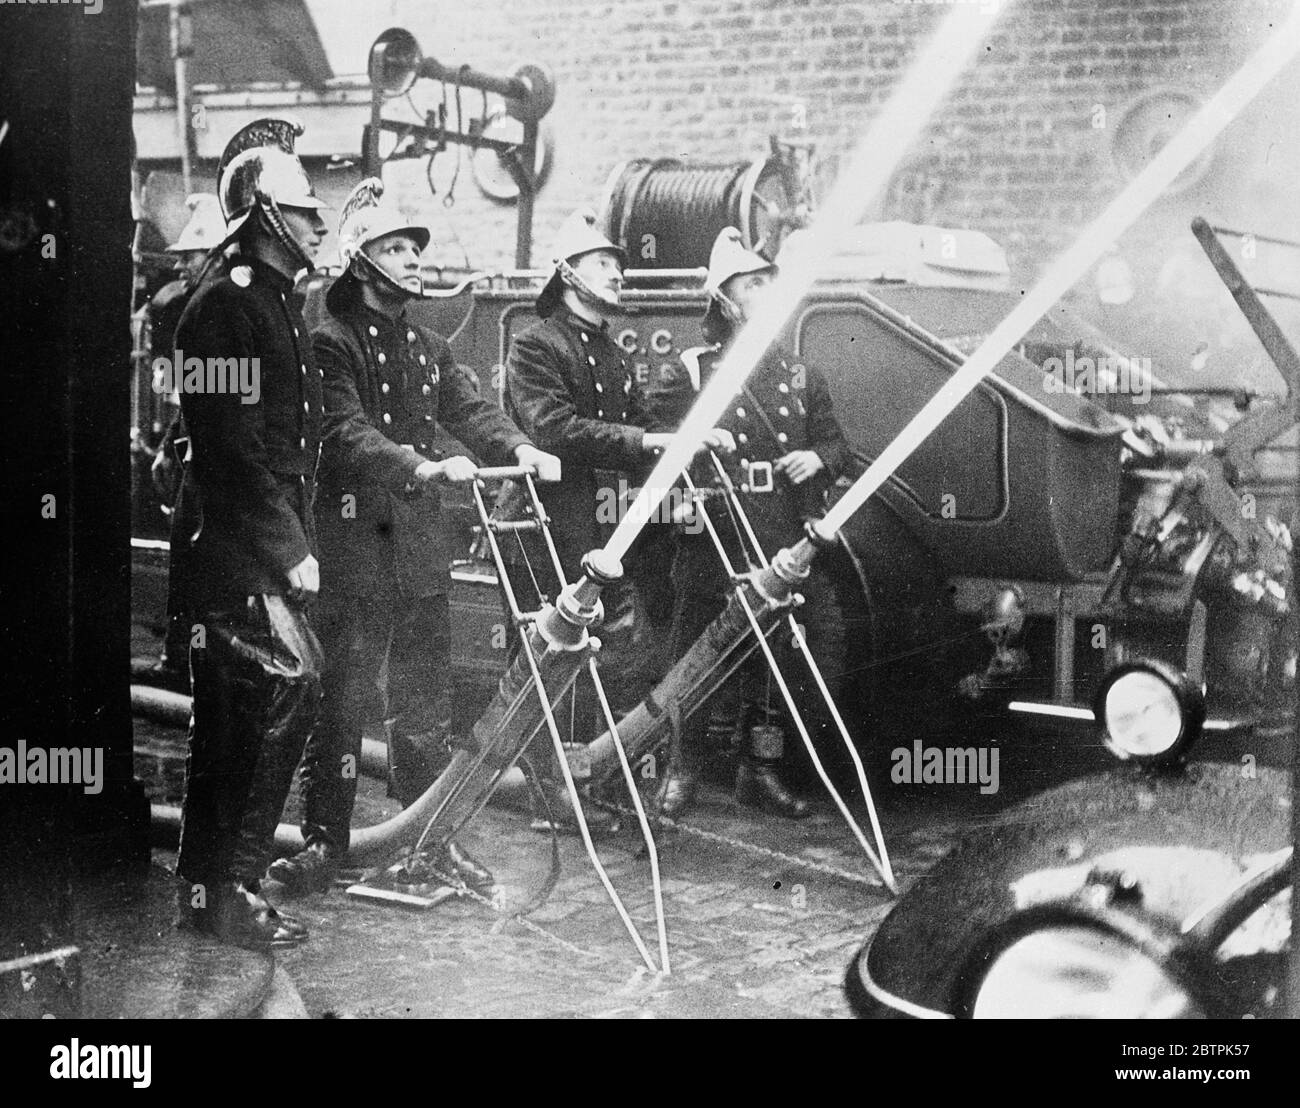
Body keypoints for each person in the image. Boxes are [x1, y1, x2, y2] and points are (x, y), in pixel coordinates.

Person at [267, 179, 561, 895]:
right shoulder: (327, 344)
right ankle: (324, 844)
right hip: (352, 547)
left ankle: (429, 840)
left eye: (413, 247)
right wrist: (422, 465)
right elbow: (341, 431)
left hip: (419, 550)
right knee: (342, 701)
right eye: (395, 248)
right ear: (361, 263)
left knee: (425, 703)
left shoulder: (428, 345)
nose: (412, 260)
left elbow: (468, 406)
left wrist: (518, 448)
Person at [503, 208, 732, 827]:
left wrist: (689, 441)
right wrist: (645, 443)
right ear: (567, 274)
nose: (617, 275)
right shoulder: (534, 343)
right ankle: (548, 793)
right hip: (546, 521)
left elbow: (638, 423)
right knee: (551, 652)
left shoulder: (608, 350)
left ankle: (581, 777)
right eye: (603, 264)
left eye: (619, 266)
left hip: (604, 525)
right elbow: (552, 428)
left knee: (598, 652)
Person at [171, 117, 329, 949]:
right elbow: (231, 453)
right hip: (232, 551)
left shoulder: (271, 305)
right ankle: (221, 890)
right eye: (305, 210)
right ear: (265, 213)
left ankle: (219, 887)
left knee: (253, 709)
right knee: (262, 702)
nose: (321, 222)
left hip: (258, 547)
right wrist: (290, 548)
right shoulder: (221, 310)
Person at [647, 227, 851, 819]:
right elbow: (657, 449)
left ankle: (757, 771)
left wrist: (821, 458)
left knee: (777, 656)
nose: (769, 292)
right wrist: (680, 499)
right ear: (726, 300)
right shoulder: (692, 369)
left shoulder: (800, 374)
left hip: (780, 529)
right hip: (713, 528)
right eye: (754, 284)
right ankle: (680, 770)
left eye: (771, 282)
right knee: (695, 652)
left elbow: (840, 447)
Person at [145, 193, 226, 688]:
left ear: (215, 252)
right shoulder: (200, 303)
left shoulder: (215, 307)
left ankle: (185, 665)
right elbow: (197, 398)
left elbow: (214, 399)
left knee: (195, 559)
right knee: (191, 558)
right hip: (200, 454)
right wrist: (172, 444)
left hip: (214, 464)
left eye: (190, 255)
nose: (180, 263)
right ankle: (182, 660)